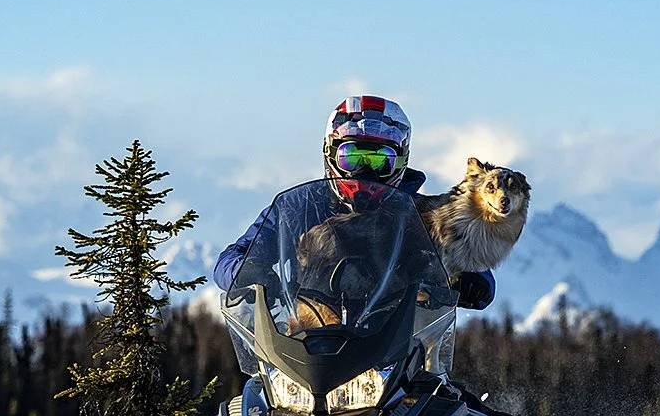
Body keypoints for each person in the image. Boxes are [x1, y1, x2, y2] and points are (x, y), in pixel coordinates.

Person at [211, 95, 497, 311]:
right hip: (305, 341)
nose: (365, 172)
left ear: (400, 162)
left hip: (398, 345)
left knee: (443, 391)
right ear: (330, 154)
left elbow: (470, 258)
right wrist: (249, 271)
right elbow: (230, 259)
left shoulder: (422, 216)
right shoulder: (298, 207)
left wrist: (473, 282)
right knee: (252, 390)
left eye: (379, 161)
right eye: (353, 157)